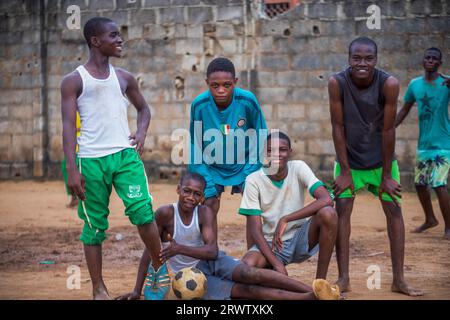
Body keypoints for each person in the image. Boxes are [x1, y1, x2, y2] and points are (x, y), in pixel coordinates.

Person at [61, 17, 168, 300]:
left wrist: (142, 132)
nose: (120, 40)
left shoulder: (124, 78)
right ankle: (99, 288)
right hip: (90, 161)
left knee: (143, 213)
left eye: (119, 35)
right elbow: (68, 127)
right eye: (113, 35)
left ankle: (160, 269)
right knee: (95, 226)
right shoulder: (73, 81)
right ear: (96, 41)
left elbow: (144, 109)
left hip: (125, 157)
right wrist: (72, 169)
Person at [117, 173, 340, 300]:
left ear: (202, 197)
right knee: (245, 292)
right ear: (178, 190)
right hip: (192, 275)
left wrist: (178, 249)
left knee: (250, 273)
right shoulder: (165, 214)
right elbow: (150, 250)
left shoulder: (204, 212)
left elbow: (212, 251)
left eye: (196, 194)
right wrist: (137, 290)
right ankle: (309, 298)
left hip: (213, 262)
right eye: (186, 191)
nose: (190, 197)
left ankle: (316, 289)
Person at [328, 36, 422, 296]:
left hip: (381, 161)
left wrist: (386, 175)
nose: (362, 63)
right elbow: (338, 126)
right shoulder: (337, 82)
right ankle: (344, 278)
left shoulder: (388, 83)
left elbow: (388, 129)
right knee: (342, 213)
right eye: (356, 58)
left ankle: (399, 280)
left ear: (376, 60)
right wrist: (345, 171)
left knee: (394, 213)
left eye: (368, 58)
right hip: (348, 162)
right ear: (349, 59)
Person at [188, 57, 267, 248]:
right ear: (207, 83)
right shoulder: (199, 105)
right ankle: (210, 254)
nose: (221, 90)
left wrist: (250, 174)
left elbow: (261, 135)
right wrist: (204, 177)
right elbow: (194, 143)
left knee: (252, 207)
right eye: (215, 85)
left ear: (235, 83)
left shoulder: (247, 100)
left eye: (227, 85)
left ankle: (253, 254)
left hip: (244, 163)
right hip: (212, 165)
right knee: (209, 205)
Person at [239, 132, 338, 282]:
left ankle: (320, 283)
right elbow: (255, 230)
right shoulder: (253, 180)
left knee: (328, 213)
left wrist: (286, 219)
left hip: (300, 238)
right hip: (270, 244)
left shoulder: (298, 167)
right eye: (271, 150)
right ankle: (269, 269)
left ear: (290, 152)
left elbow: (326, 199)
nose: (277, 154)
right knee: (246, 266)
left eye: (282, 149)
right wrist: (277, 264)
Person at [395, 47, 450, 239]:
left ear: (439, 63)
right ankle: (430, 219)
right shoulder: (415, 85)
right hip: (424, 145)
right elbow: (404, 110)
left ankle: (448, 228)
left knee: (438, 183)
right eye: (428, 57)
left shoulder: (446, 83)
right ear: (423, 61)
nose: (430, 60)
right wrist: (389, 128)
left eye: (434, 58)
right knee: (419, 184)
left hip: (443, 144)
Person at [61, 112, 81, 208]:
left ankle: (79, 198)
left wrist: (73, 129)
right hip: (72, 147)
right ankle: (74, 198)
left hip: (81, 147)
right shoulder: (72, 111)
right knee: (66, 171)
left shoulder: (84, 110)